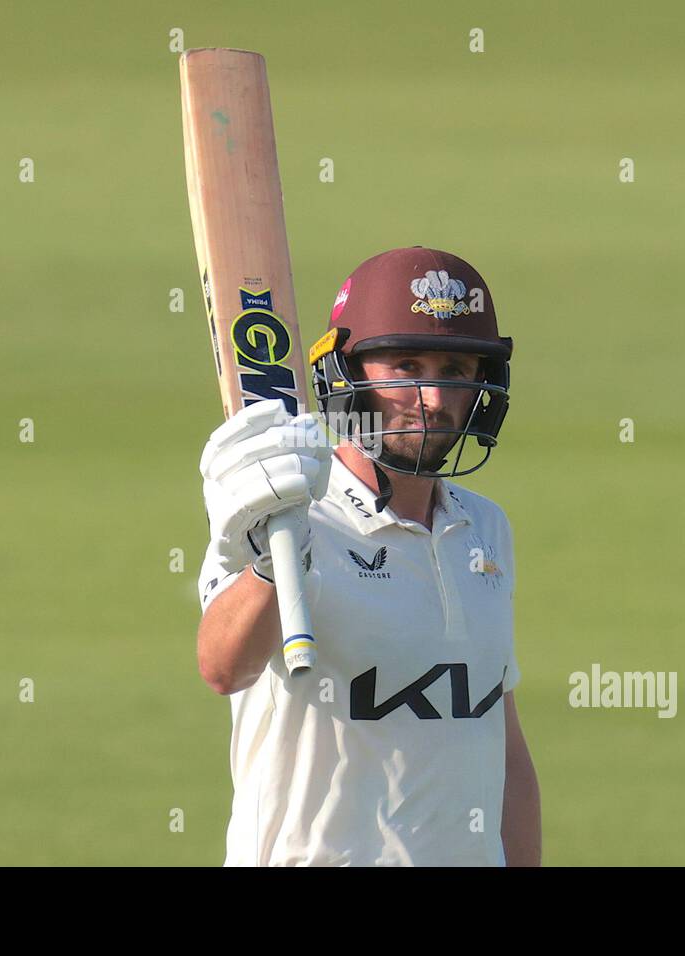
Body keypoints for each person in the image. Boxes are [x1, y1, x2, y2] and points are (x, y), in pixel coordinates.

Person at [196, 246, 540, 866]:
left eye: (456, 369)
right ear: (347, 374)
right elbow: (223, 667)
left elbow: (501, 744)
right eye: (406, 366)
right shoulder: (276, 517)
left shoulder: (485, 529)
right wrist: (277, 566)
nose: (433, 398)